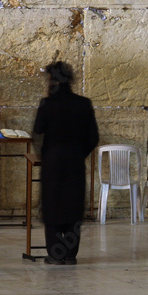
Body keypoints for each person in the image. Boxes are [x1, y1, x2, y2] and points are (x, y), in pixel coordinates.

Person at [33, 61, 99, 265]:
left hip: (53, 163)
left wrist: (45, 155)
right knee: (72, 206)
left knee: (53, 206)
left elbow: (37, 132)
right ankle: (70, 254)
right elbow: (93, 137)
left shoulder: (47, 104)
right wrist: (79, 153)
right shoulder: (83, 103)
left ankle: (55, 254)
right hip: (75, 163)